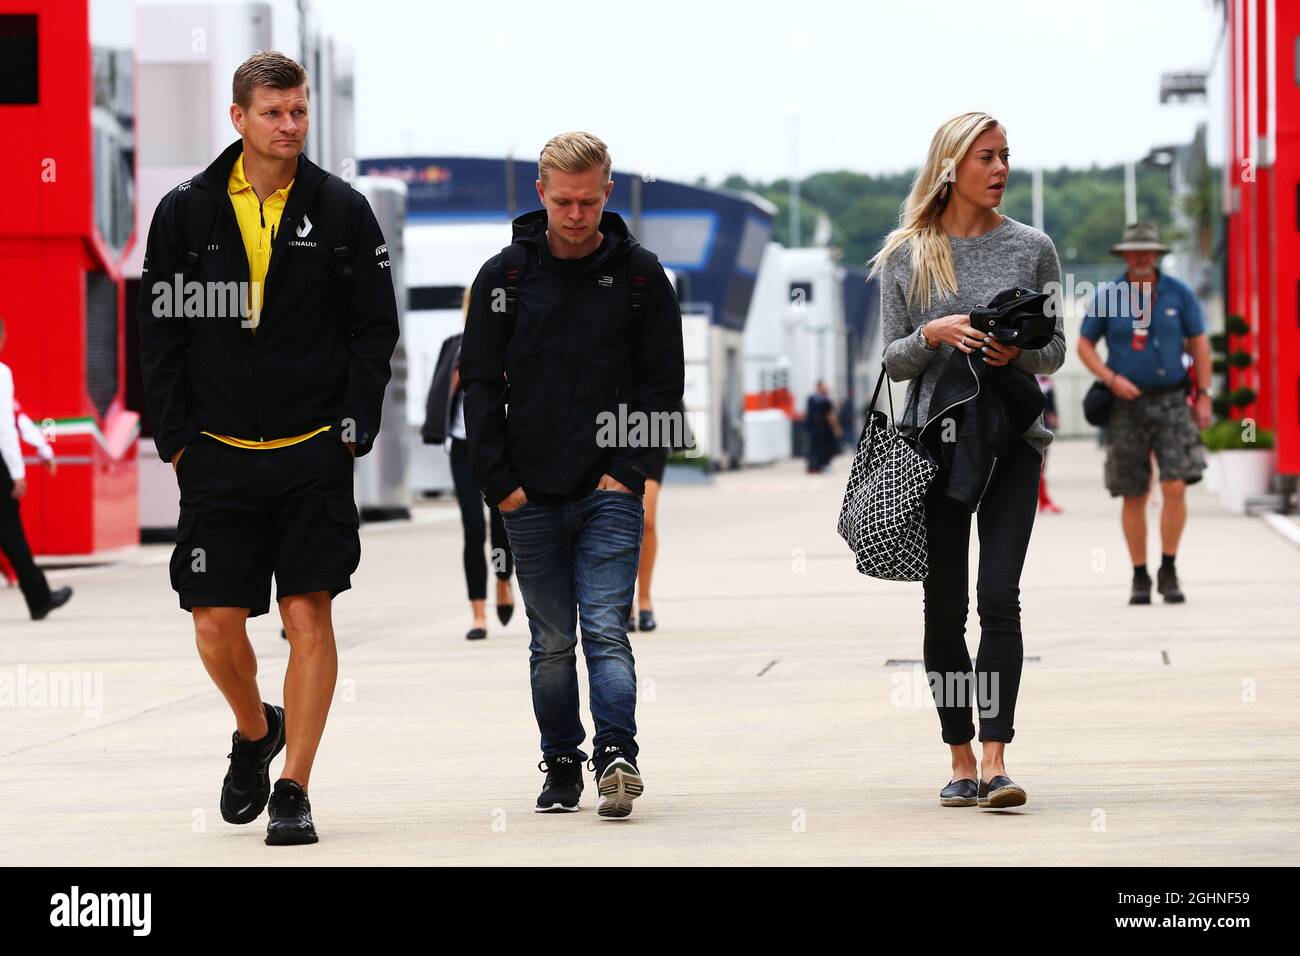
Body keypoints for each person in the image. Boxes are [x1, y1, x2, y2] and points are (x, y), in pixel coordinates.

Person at [137, 51, 399, 845]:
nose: (289, 126)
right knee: (215, 624)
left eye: (299, 111)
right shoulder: (186, 212)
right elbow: (160, 332)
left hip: (313, 452)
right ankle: (256, 732)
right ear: (239, 118)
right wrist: (178, 440)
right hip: (216, 454)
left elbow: (372, 329)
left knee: (306, 612)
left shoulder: (342, 210)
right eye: (274, 113)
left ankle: (294, 789)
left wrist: (353, 428)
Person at [460, 131, 684, 817]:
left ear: (607, 192)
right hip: (527, 493)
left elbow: (663, 387)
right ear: (541, 194)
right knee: (552, 641)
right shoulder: (504, 278)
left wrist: (630, 472)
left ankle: (617, 754)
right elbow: (478, 385)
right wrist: (500, 482)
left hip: (609, 490)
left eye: (589, 201)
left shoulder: (643, 278)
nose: (577, 215)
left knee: (607, 629)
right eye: (564, 202)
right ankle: (562, 762)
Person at [869, 112, 1066, 810]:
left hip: (1013, 442)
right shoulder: (908, 254)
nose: (1001, 169)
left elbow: (1055, 351)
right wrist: (934, 331)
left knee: (998, 597)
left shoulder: (1031, 247)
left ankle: (997, 760)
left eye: (1006, 156)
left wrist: (1017, 350)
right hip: (938, 449)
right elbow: (893, 362)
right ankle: (957, 759)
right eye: (987, 157)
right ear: (952, 165)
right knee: (945, 608)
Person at [1077, 222, 1211, 605]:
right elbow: (1084, 345)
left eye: (1148, 251)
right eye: (1135, 252)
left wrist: (1204, 394)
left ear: (1157, 255)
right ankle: (1139, 575)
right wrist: (1110, 377)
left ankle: (1168, 567)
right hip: (1126, 403)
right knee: (1132, 492)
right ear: (1124, 256)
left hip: (1172, 399)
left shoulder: (1178, 294)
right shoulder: (1108, 296)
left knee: (1176, 483)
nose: (1141, 257)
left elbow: (1199, 345)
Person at [422, 294, 515, 641]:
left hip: (499, 446)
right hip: (463, 447)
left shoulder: (509, 342)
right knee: (473, 528)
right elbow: (438, 395)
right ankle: (478, 613)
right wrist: (459, 376)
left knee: (501, 525)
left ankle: (503, 581)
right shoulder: (454, 346)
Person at [0, 319, 73, 620]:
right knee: (11, 534)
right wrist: (17, 472)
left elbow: (14, 415)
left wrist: (41, 447)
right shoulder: (1, 373)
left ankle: (39, 595)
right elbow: (4, 426)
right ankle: (39, 598)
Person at [1034, 374, 1062, 513]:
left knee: (1041, 464)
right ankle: (1043, 499)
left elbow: (1051, 401)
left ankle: (1044, 500)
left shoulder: (1045, 380)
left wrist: (1054, 415)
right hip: (1028, 423)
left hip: (1043, 424)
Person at [804, 381, 841, 473]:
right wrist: (836, 427)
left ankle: (815, 465)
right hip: (823, 430)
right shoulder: (825, 401)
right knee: (823, 448)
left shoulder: (811, 400)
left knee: (816, 448)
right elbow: (830, 415)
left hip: (816, 430)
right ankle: (821, 465)